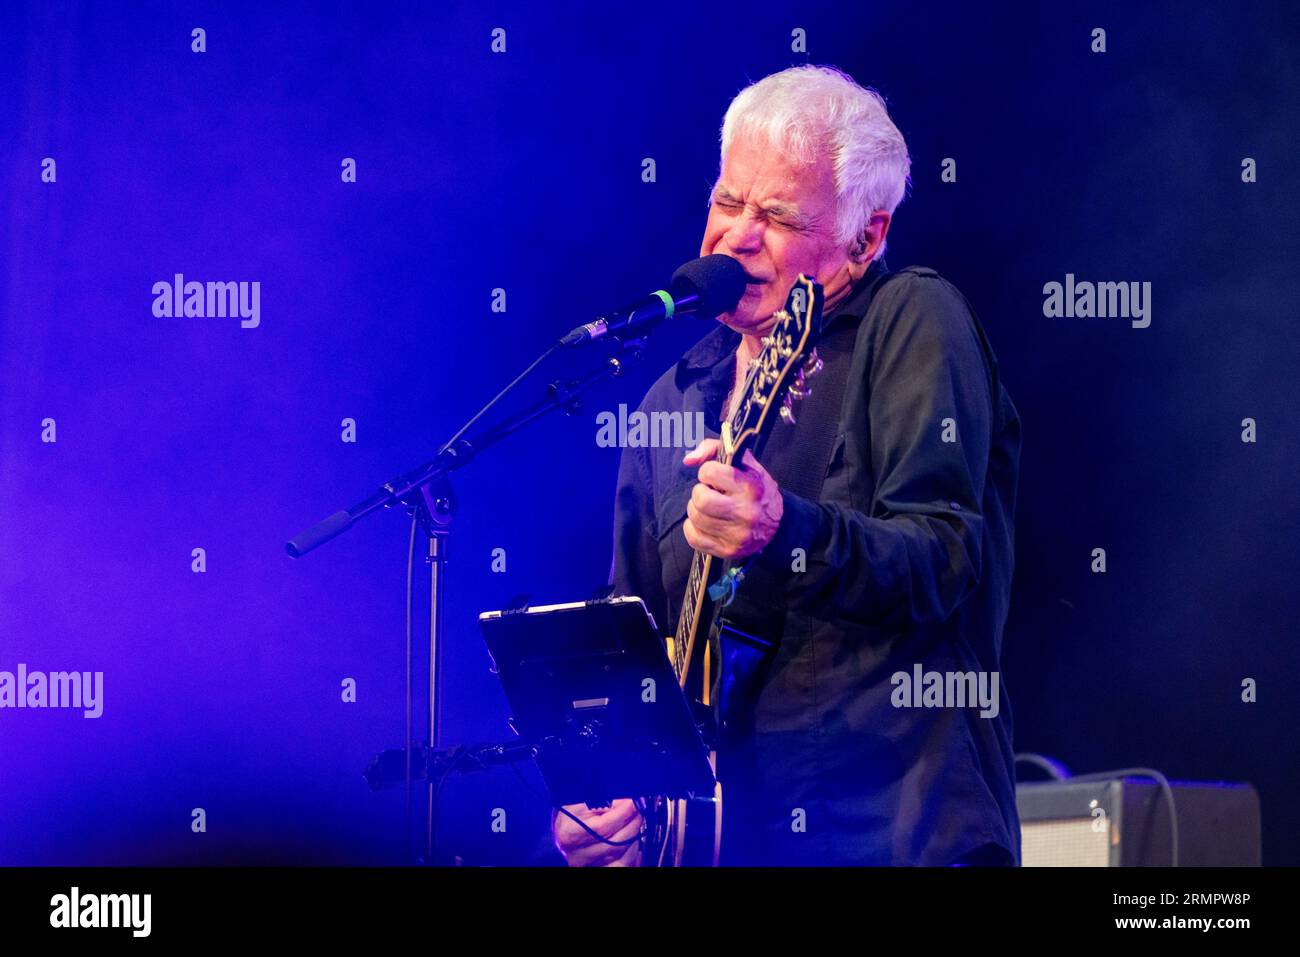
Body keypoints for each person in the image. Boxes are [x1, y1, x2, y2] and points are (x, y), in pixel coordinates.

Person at [554, 64, 1022, 866]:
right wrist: (607, 794)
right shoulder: (672, 397)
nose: (735, 236)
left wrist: (786, 529)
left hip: (894, 832)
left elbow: (948, 559)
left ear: (864, 238)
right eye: (727, 201)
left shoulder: (909, 319)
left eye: (775, 215)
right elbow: (632, 632)